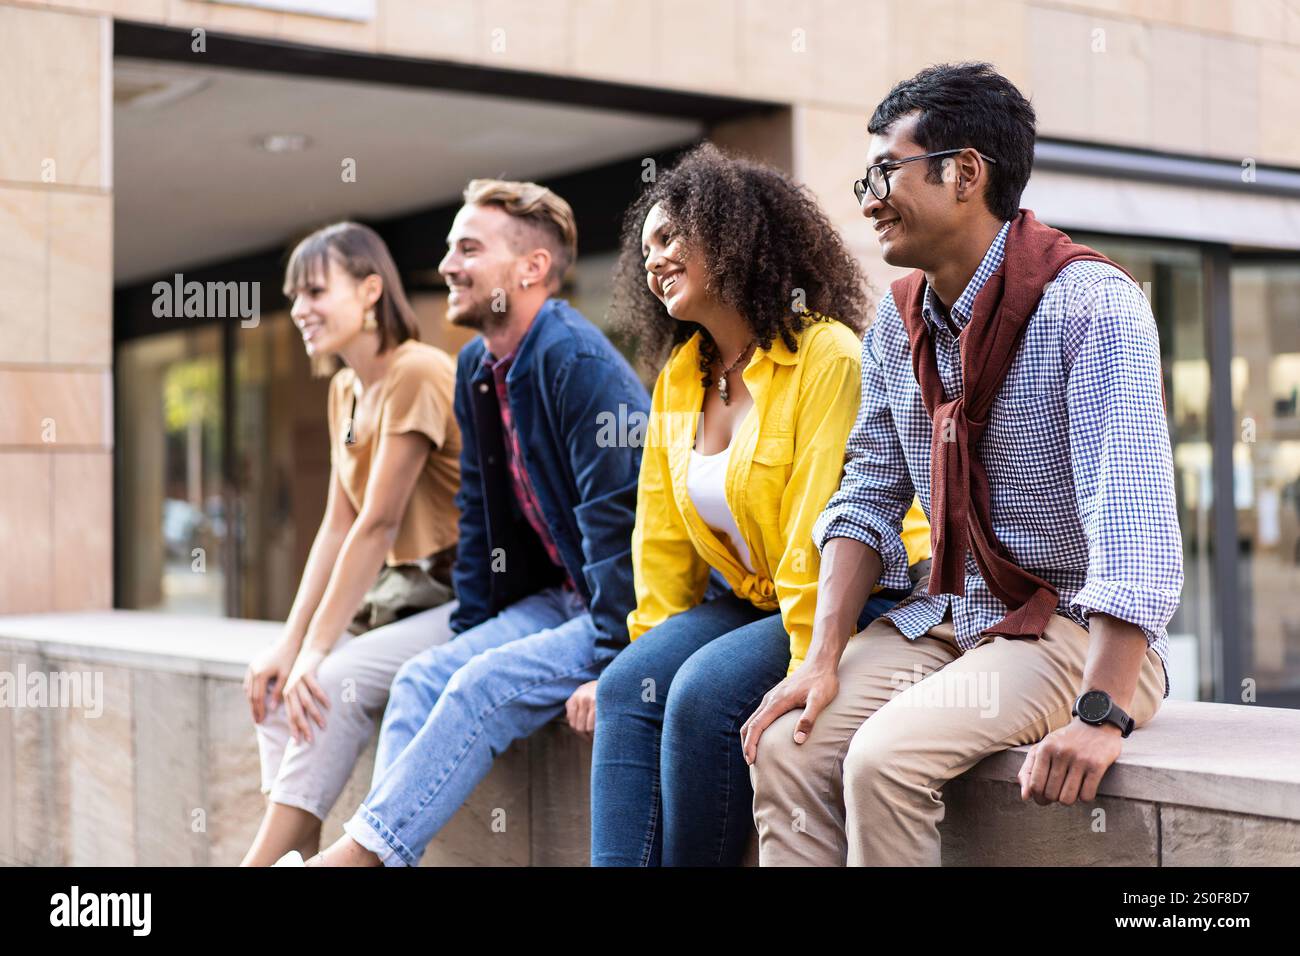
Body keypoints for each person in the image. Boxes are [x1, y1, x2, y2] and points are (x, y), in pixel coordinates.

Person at [742, 62, 1183, 866]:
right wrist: (820, 660)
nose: (868, 198)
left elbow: (1132, 523)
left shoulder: (1091, 304)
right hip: (950, 614)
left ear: (966, 174)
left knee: (883, 762)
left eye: (886, 171)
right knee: (787, 745)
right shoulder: (896, 325)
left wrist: (1101, 712)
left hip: (1071, 629)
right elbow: (866, 499)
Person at [590, 144, 931, 867]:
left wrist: (812, 662)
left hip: (856, 591)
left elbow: (817, 527)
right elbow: (661, 540)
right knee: (627, 687)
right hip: (756, 597)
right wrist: (648, 649)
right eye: (646, 250)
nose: (654, 260)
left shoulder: (826, 354)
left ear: (732, 233)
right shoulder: (681, 376)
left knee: (702, 694)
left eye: (671, 236)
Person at [292, 179, 650, 867]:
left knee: (475, 686)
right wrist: (472, 632)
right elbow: (480, 519)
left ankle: (356, 860)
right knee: (421, 678)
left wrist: (614, 664)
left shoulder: (574, 362)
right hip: (554, 599)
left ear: (532, 268)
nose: (448, 266)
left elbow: (619, 529)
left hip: (622, 608)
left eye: (469, 250)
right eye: (450, 249)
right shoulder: (478, 367)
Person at [241, 221, 461, 866]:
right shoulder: (345, 389)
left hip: (459, 593)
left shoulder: (417, 371)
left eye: (314, 292)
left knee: (326, 681)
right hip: (401, 596)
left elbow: (379, 523)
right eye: (293, 297)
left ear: (369, 290)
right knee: (275, 691)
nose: (299, 310)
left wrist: (315, 653)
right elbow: (337, 525)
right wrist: (290, 645)